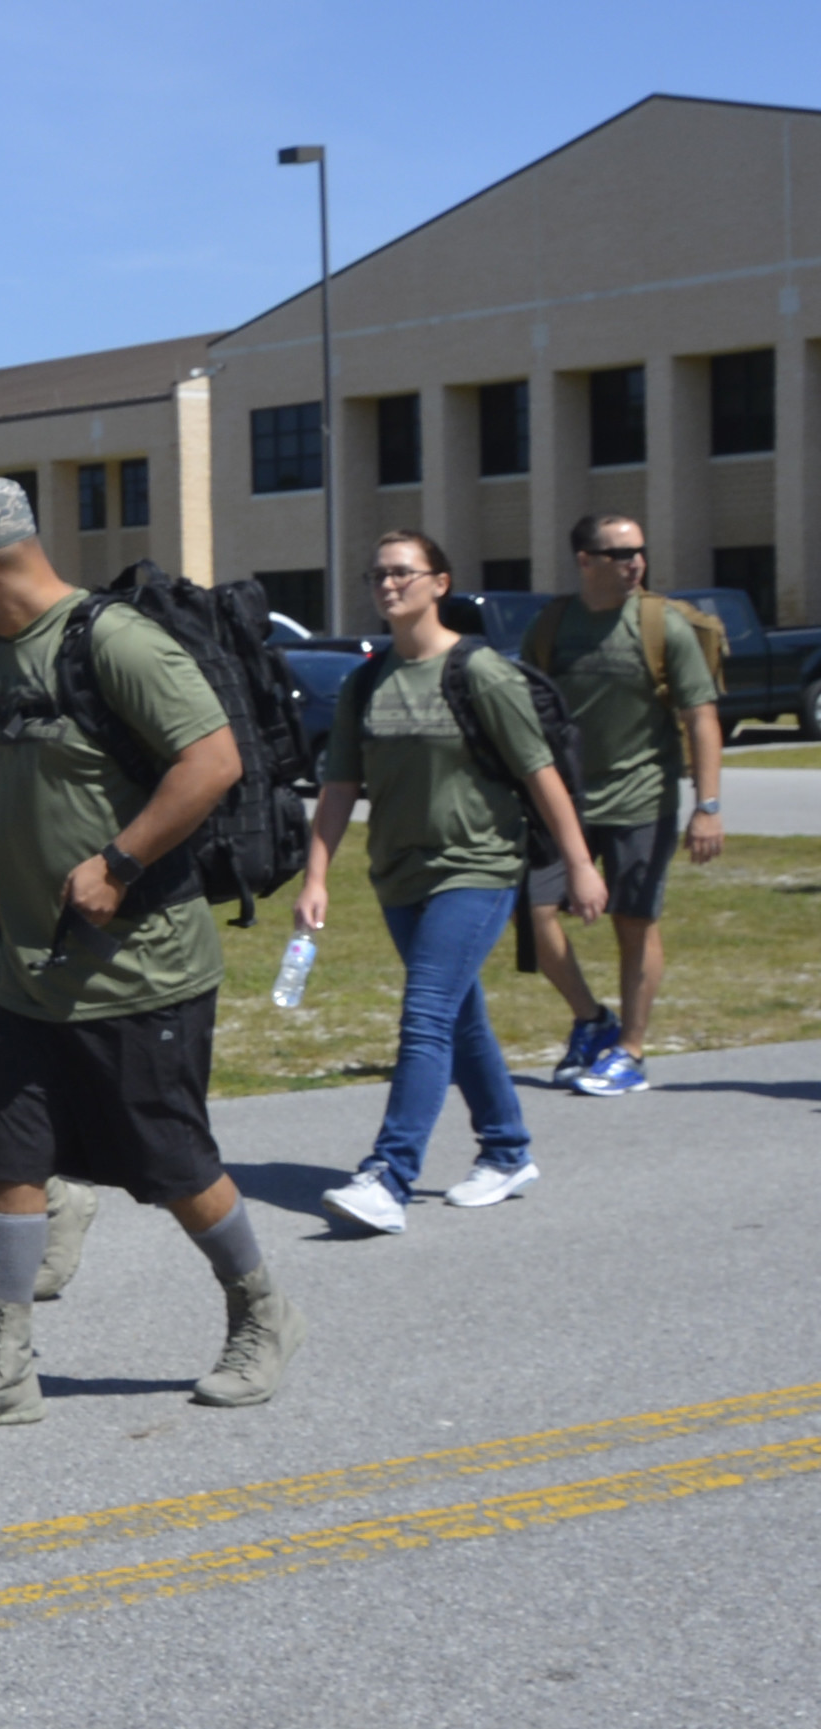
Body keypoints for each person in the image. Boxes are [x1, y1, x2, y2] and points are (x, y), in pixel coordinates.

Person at [0, 478, 303, 1436]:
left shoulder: (113, 642)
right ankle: (3, 1367)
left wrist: (119, 863)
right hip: (35, 967)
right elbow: (28, 788)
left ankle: (263, 1314)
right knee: (11, 1158)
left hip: (138, 969)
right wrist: (2, 873)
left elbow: (212, 761)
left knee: (171, 1164)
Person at [299, 532, 607, 1234]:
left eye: (402, 573)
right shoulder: (366, 682)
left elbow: (540, 772)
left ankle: (389, 1173)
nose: (387, 585)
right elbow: (340, 785)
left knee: (427, 1013)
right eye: (377, 573)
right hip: (399, 874)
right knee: (460, 1017)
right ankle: (507, 1147)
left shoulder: (482, 672)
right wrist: (316, 876)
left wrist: (580, 862)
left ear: (439, 582)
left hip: (477, 868)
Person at [525, 513, 725, 1097]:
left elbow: (701, 717)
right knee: (535, 913)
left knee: (633, 921)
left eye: (639, 551)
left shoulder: (663, 625)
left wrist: (707, 804)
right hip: (565, 800)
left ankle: (630, 1051)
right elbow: (524, 707)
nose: (635, 561)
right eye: (620, 553)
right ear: (585, 560)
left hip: (643, 796)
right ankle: (592, 1020)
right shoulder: (553, 624)